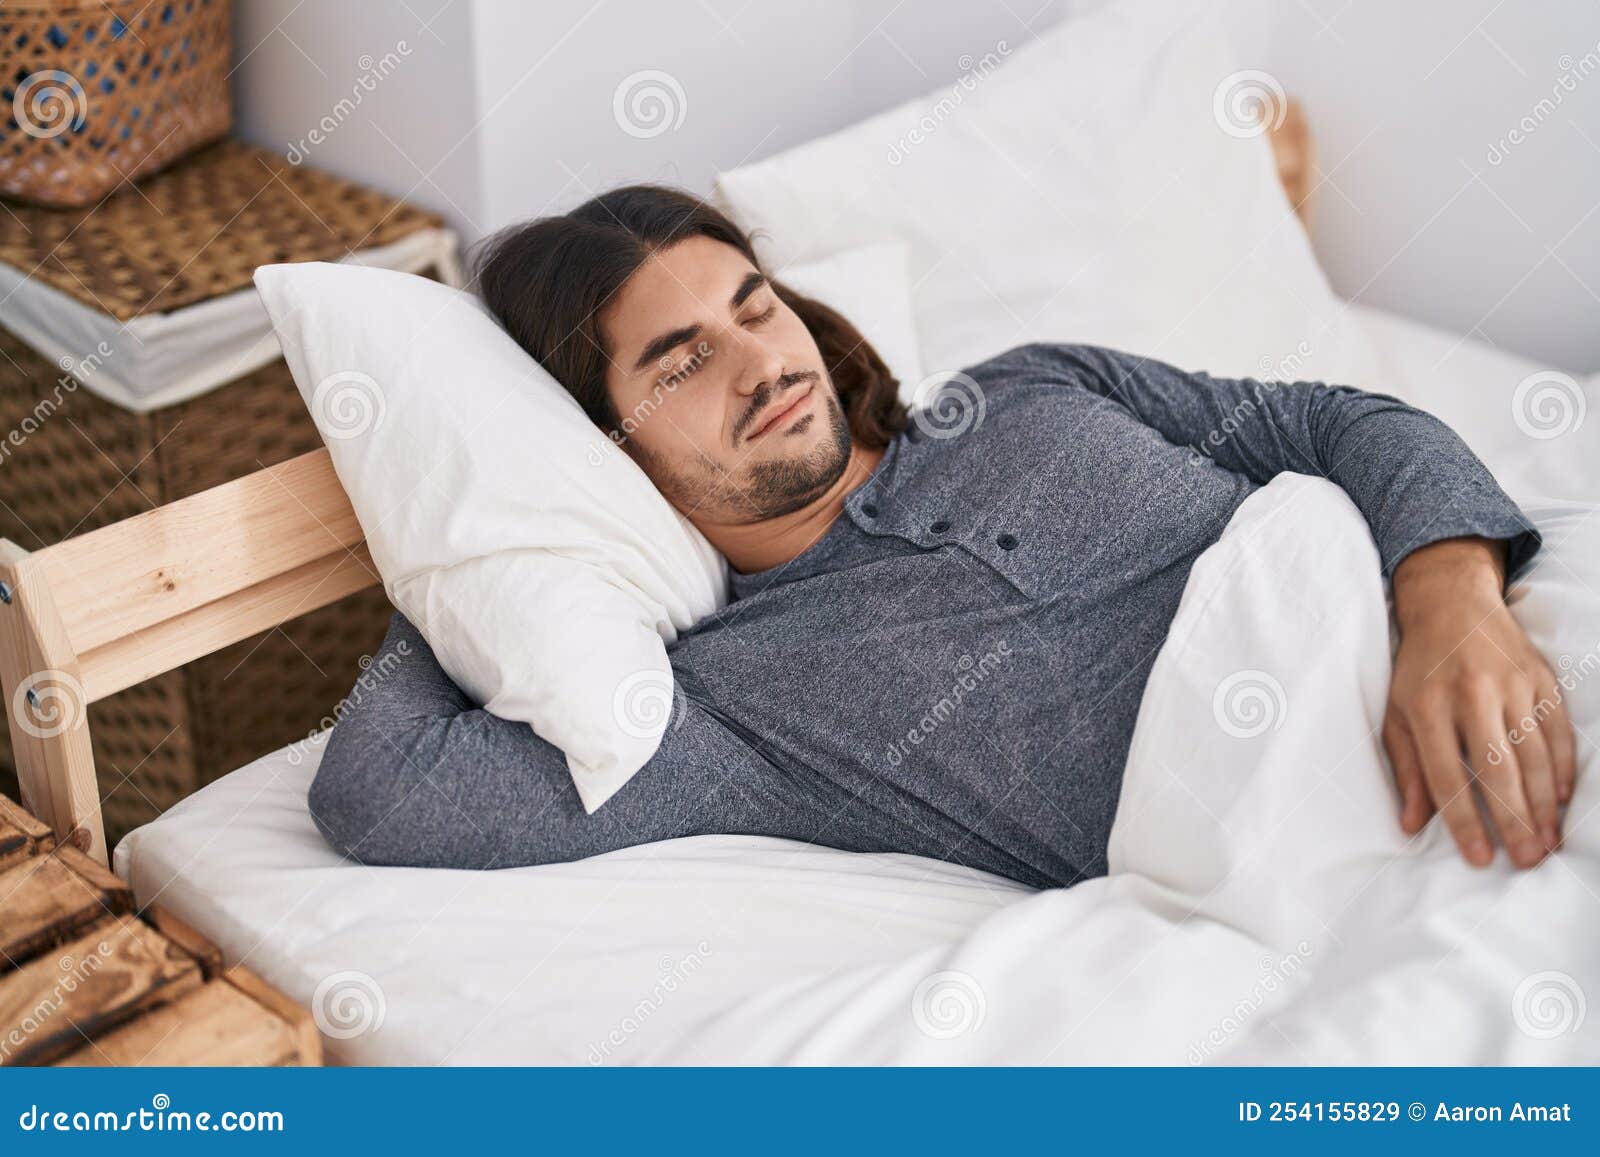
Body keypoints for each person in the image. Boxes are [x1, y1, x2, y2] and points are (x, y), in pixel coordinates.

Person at [306, 184, 1573, 889]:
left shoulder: (1027, 386)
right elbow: (379, 789)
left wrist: (1453, 597)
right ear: (604, 447)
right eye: (681, 360)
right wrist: (482, 522)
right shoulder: (720, 715)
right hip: (1392, 842)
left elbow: (1339, 421)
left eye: (754, 306)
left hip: (1501, 628)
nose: (762, 363)